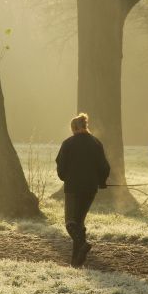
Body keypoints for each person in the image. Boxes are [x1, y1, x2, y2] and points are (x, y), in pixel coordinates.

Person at [56, 113, 110, 267]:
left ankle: (83, 244)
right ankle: (76, 261)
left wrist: (65, 177)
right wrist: (101, 181)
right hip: (90, 188)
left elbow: (60, 166)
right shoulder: (96, 143)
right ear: (85, 126)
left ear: (74, 128)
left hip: (73, 188)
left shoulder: (68, 143)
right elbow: (104, 167)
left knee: (70, 223)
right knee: (79, 223)